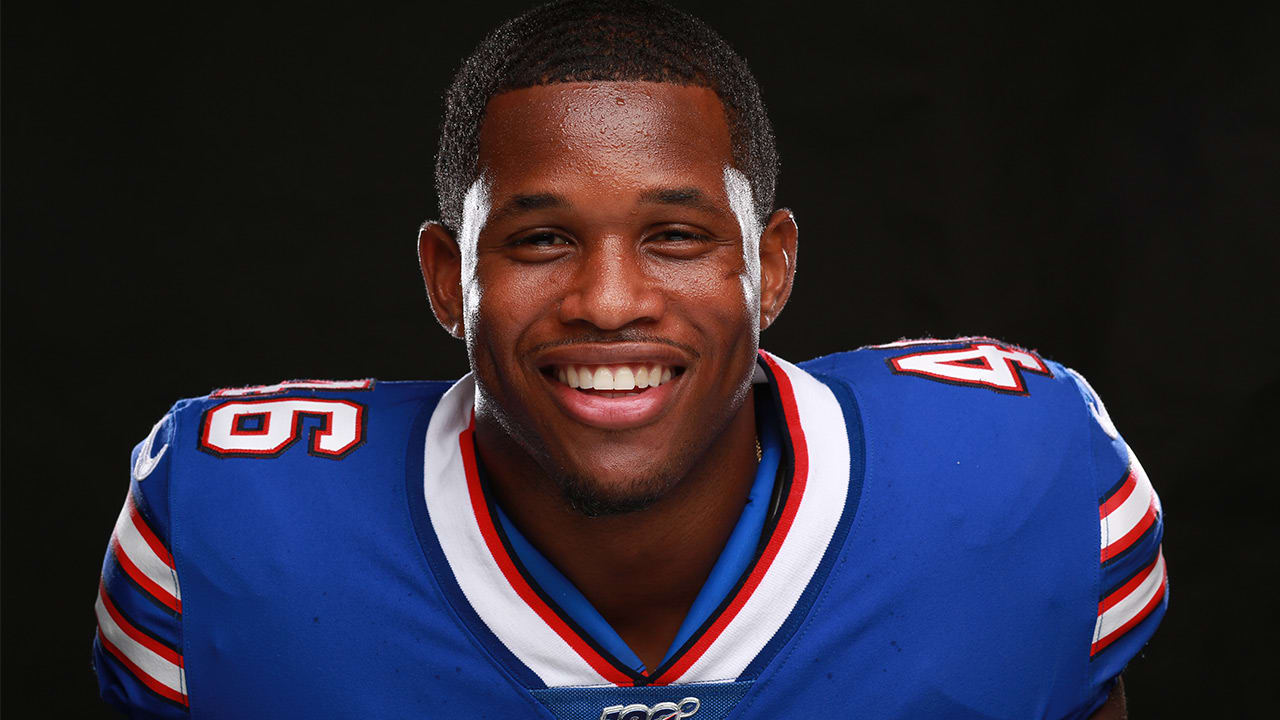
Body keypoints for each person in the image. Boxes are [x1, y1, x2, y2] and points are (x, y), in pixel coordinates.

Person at [91, 1, 1166, 717]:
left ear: (771, 264)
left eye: (676, 235)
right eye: (540, 239)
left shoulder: (1023, 468)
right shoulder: (224, 520)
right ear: (443, 276)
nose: (608, 303)